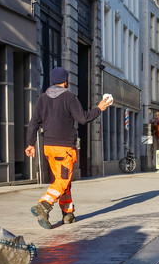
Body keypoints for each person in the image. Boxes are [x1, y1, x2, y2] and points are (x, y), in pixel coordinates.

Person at [25, 66, 112, 228]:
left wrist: (31, 143)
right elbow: (83, 118)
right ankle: (43, 204)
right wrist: (99, 109)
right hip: (64, 148)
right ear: (65, 82)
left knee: (63, 181)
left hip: (48, 147)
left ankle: (68, 213)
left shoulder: (42, 98)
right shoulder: (70, 97)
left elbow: (33, 123)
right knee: (63, 180)